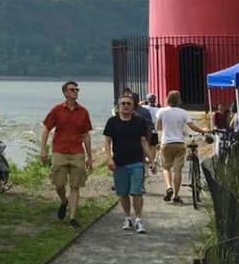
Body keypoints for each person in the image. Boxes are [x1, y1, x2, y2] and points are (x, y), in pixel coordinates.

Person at [40, 80, 94, 228]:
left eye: (77, 89)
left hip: (77, 152)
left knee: (75, 186)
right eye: (72, 89)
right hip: (60, 151)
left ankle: (72, 218)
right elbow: (46, 129)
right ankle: (64, 201)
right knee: (58, 183)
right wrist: (43, 149)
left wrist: (90, 157)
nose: (75, 91)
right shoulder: (57, 110)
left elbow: (86, 135)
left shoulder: (83, 112)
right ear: (65, 93)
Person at [103, 93, 156, 234]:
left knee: (137, 191)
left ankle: (138, 219)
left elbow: (144, 141)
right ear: (118, 106)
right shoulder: (112, 122)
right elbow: (107, 142)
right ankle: (127, 217)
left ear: (133, 107)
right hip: (119, 162)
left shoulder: (139, 122)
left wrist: (151, 161)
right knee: (123, 193)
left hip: (136, 162)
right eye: (123, 103)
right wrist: (109, 158)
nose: (126, 106)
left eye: (129, 104)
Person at [155, 90, 206, 204]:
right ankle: (176, 195)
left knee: (166, 168)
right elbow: (192, 126)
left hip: (166, 143)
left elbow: (158, 127)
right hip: (179, 143)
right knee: (177, 170)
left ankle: (169, 188)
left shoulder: (161, 111)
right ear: (179, 100)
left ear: (167, 99)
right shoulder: (183, 112)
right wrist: (202, 131)